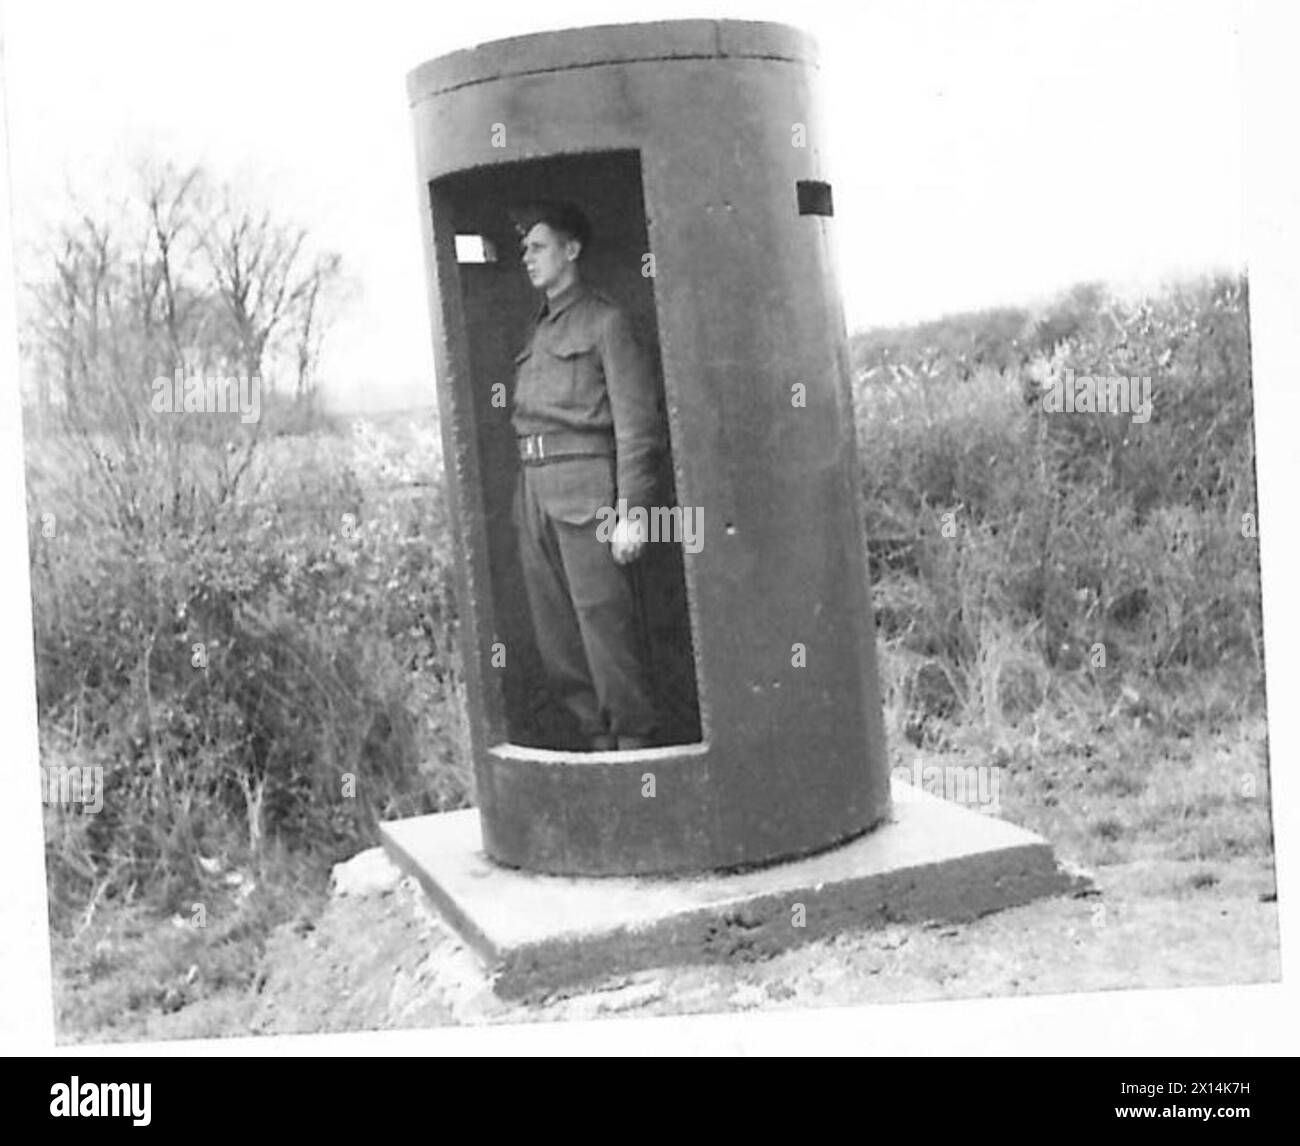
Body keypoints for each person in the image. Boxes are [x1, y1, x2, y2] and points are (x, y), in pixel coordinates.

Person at [509, 201, 663, 751]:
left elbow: (636, 425)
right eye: (525, 248)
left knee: (604, 629)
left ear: (571, 250)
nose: (526, 257)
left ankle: (633, 747)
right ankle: (595, 742)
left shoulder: (606, 322)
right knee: (558, 637)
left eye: (539, 246)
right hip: (534, 494)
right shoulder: (538, 329)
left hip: (587, 492)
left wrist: (633, 513)